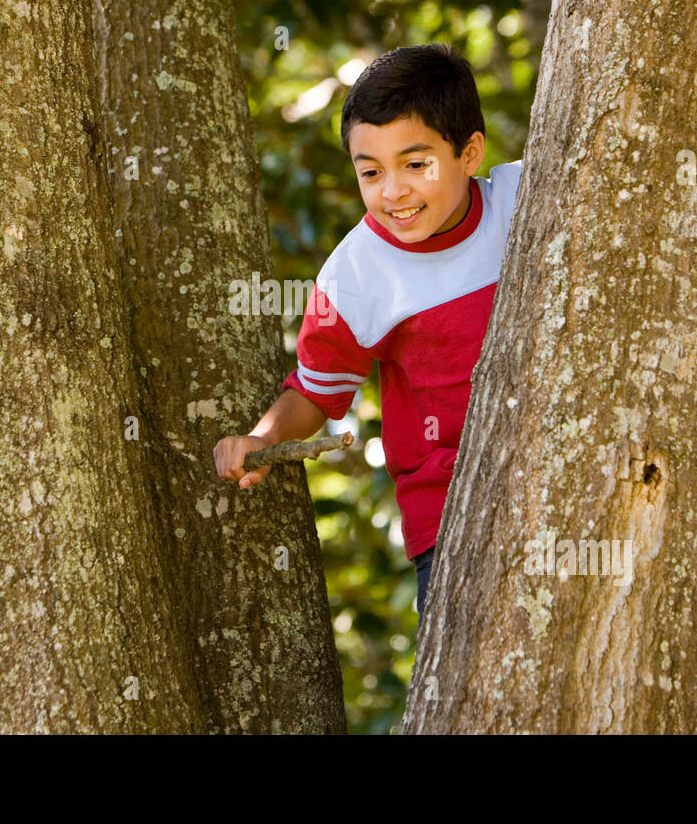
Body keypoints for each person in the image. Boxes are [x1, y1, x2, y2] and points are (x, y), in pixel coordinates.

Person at [214, 43, 522, 631]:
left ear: (470, 151)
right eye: (371, 172)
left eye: (416, 164)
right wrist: (261, 438)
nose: (393, 192)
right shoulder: (355, 276)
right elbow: (315, 389)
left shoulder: (526, 201)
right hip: (450, 516)